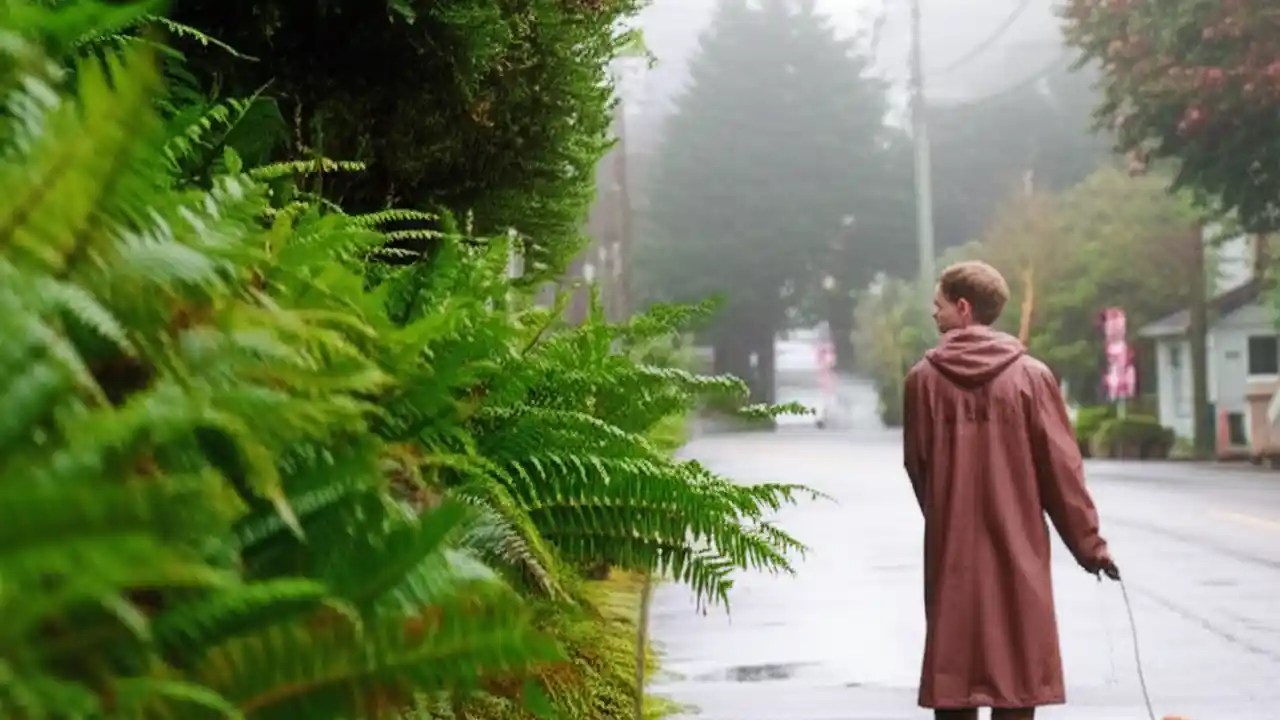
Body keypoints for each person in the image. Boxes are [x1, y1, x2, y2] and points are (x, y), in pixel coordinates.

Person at [902, 261, 1120, 720]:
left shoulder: (923, 381)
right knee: (1017, 682)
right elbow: (1062, 474)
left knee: (954, 681)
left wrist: (948, 513)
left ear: (963, 308)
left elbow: (918, 467)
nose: (933, 313)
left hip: (952, 554)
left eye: (938, 304)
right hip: (1020, 552)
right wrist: (1090, 546)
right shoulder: (1032, 378)